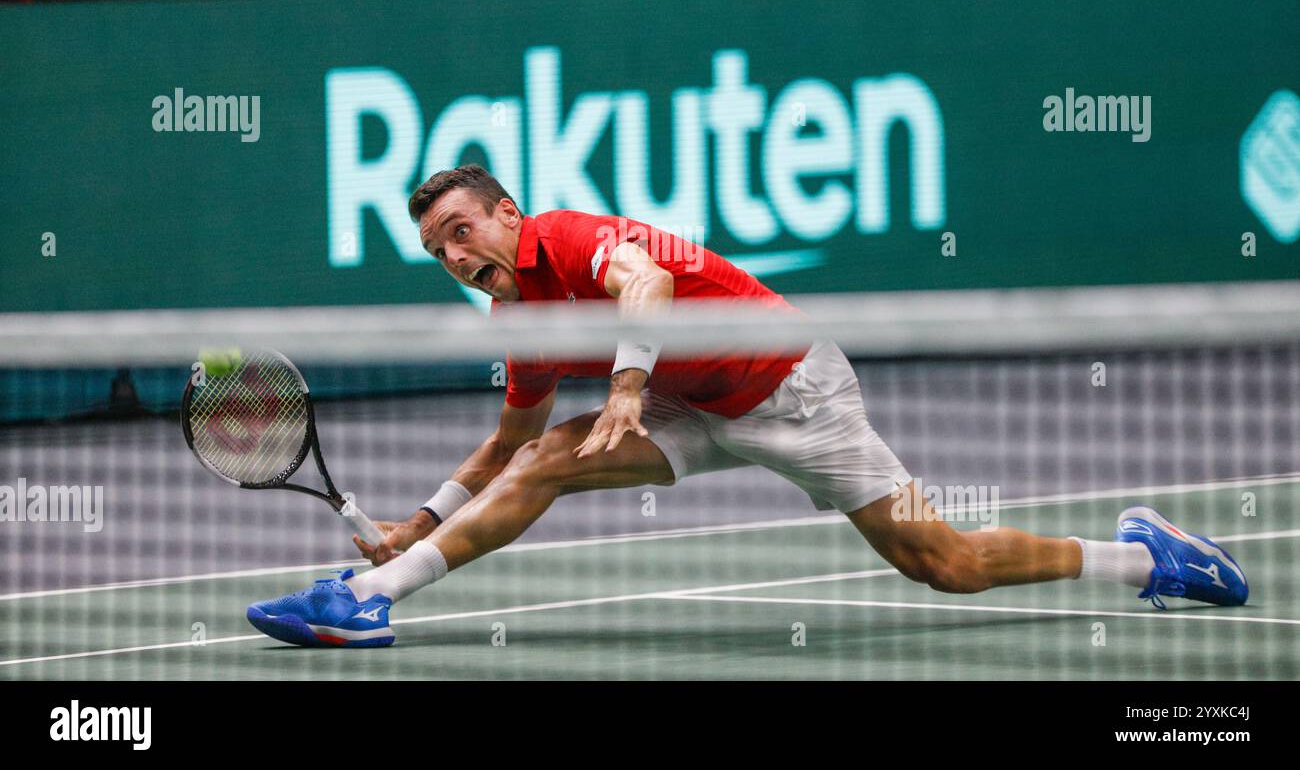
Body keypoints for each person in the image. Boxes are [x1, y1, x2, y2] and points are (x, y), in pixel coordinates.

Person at [246, 165, 1248, 648]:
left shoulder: (568, 234)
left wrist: (629, 385)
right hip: (688, 402)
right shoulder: (521, 320)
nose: (460, 258)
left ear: (508, 214)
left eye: (464, 231)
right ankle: (367, 595)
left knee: (944, 563)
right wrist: (420, 518)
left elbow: (646, 285)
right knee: (543, 456)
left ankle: (1145, 556)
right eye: (441, 252)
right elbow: (506, 438)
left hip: (794, 389)